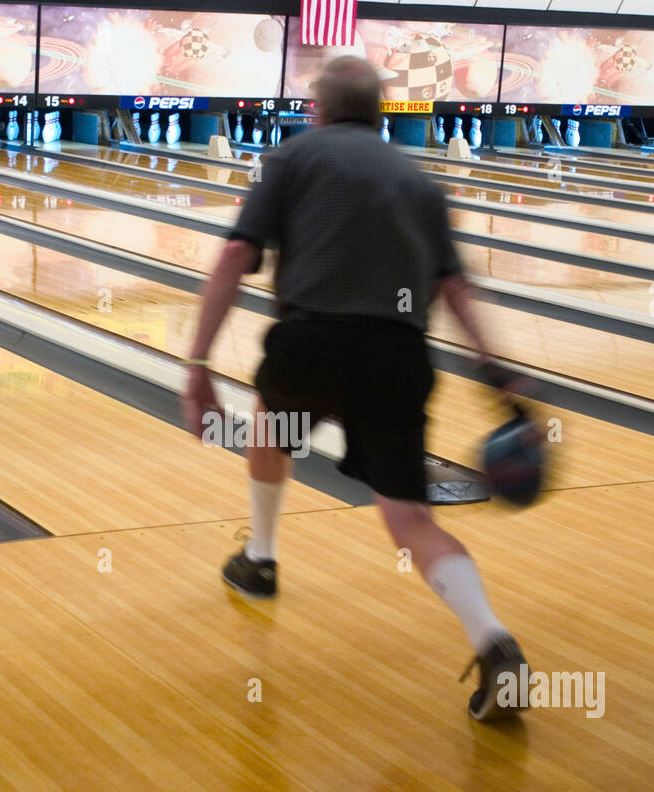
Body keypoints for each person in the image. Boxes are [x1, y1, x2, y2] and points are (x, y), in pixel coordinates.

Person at [181, 56, 530, 722]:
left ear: (318, 109)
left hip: (308, 347)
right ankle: (492, 638)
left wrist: (197, 362)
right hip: (396, 356)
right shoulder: (419, 180)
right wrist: (503, 382)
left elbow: (234, 255)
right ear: (381, 113)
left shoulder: (292, 158)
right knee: (408, 520)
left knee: (270, 426)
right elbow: (455, 289)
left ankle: (261, 558)